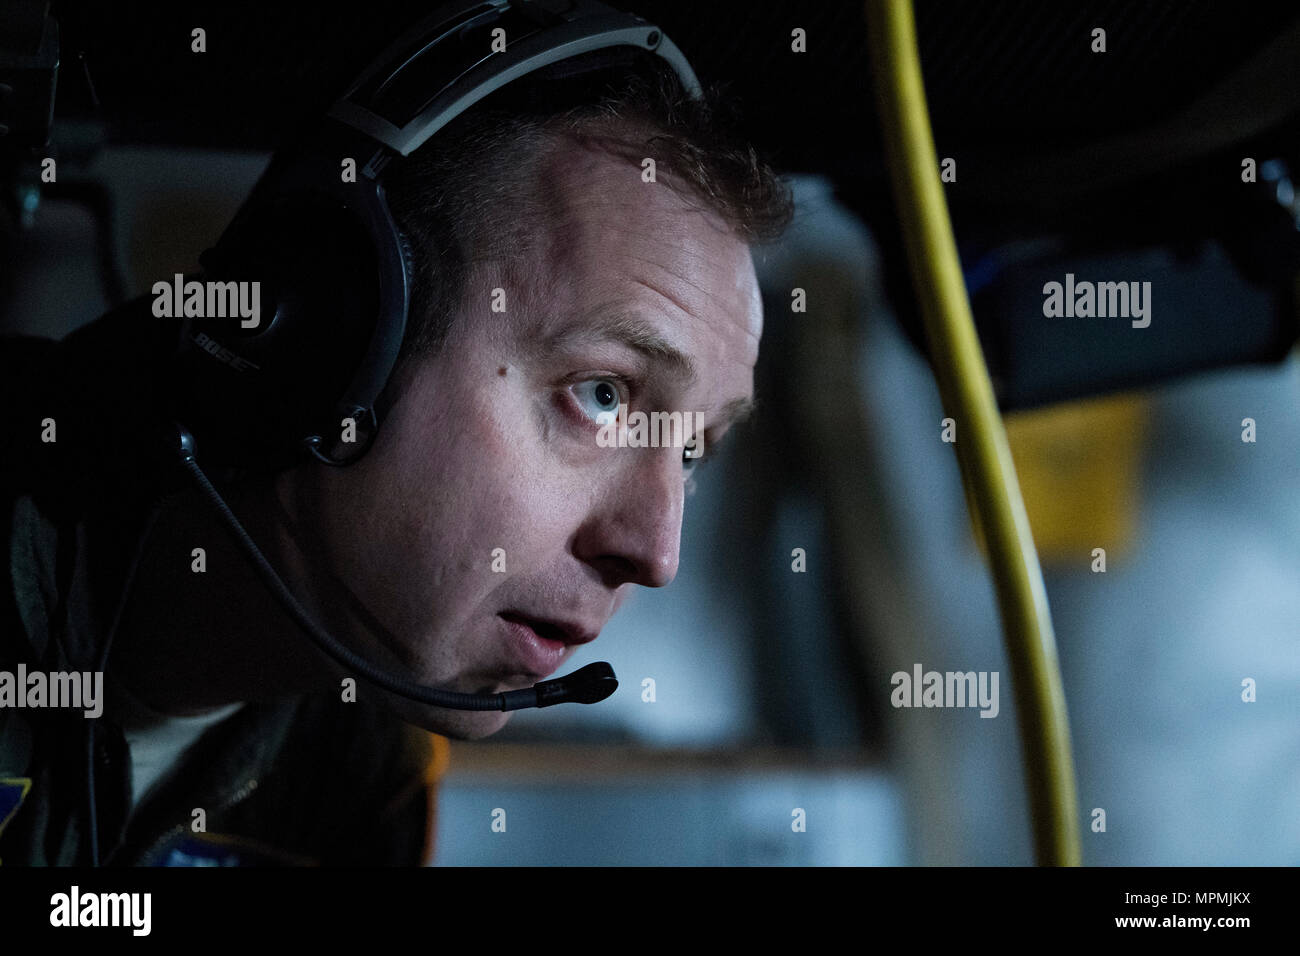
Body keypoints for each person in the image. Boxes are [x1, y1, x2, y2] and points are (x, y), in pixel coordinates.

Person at [0, 48, 792, 865]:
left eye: (693, 449)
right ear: (327, 341)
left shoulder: (375, 755)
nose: (656, 554)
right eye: (604, 395)